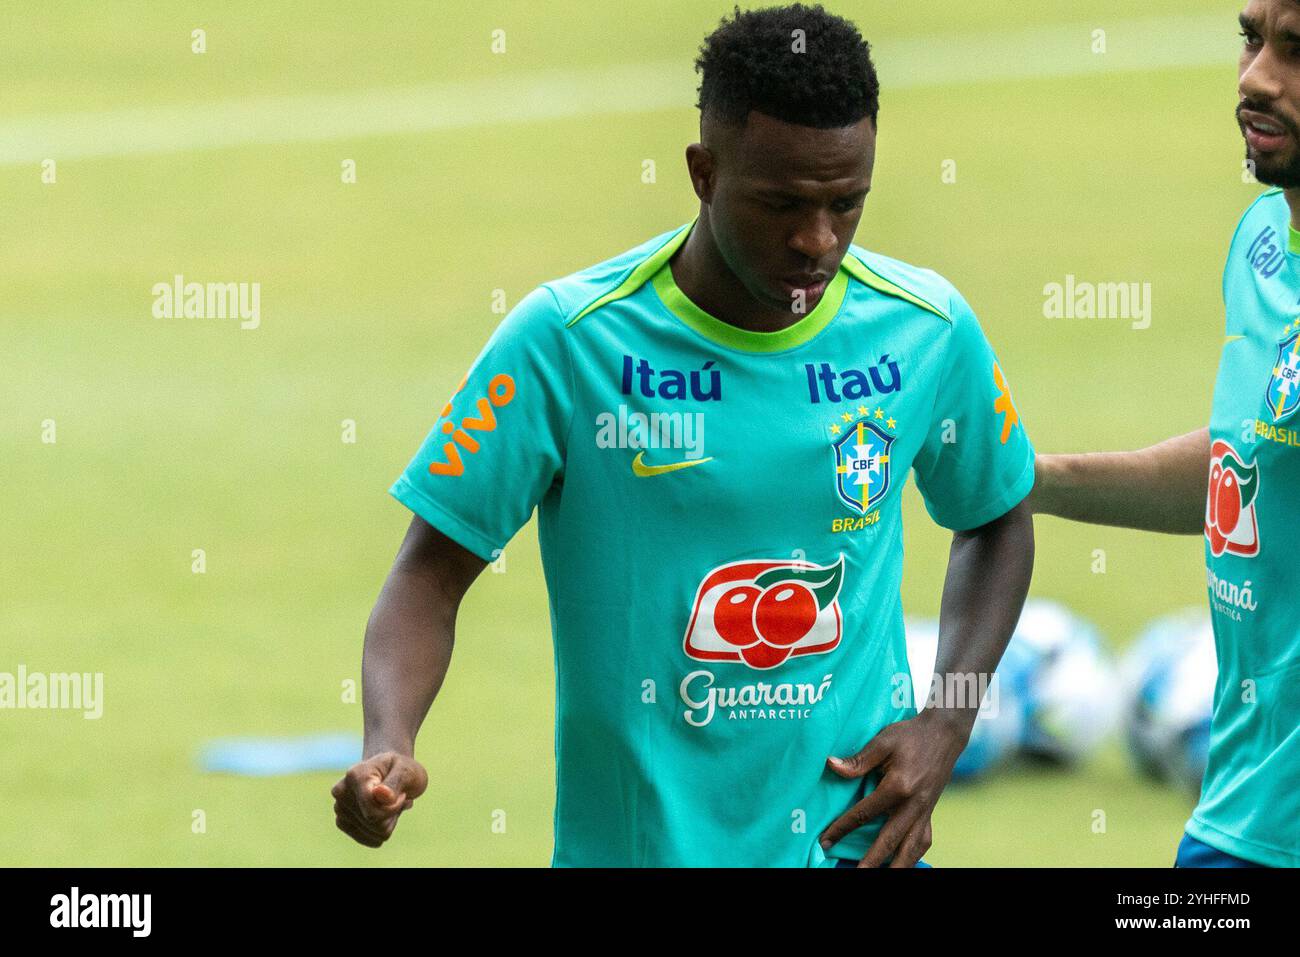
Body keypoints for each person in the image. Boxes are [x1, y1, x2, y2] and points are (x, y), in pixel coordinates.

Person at [332, 2, 1035, 867]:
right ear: (703, 172)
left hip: (852, 849)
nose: (818, 240)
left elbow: (998, 514)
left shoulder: (925, 329)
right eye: (781, 204)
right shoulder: (571, 340)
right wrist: (387, 737)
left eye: (847, 202)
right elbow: (429, 575)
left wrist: (947, 722)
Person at [1029, 0, 1300, 869]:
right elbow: (1246, 463)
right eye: (1251, 38)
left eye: (1298, 51)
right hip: (1244, 804)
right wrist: (1032, 479)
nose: (1255, 78)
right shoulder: (1264, 240)